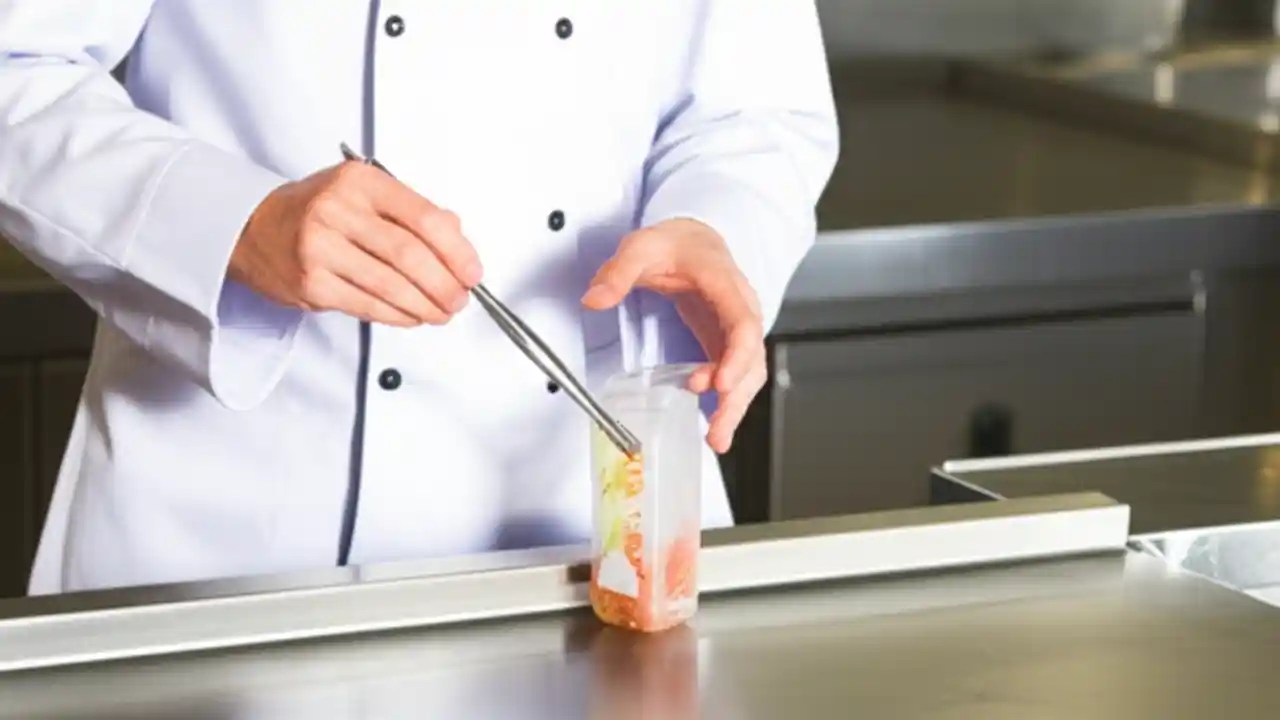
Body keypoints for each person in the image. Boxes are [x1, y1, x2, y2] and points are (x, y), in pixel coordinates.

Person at [0, 2, 838, 594]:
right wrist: (235, 223)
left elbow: (757, 110)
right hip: (232, 540)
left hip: (598, 524)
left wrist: (715, 222)